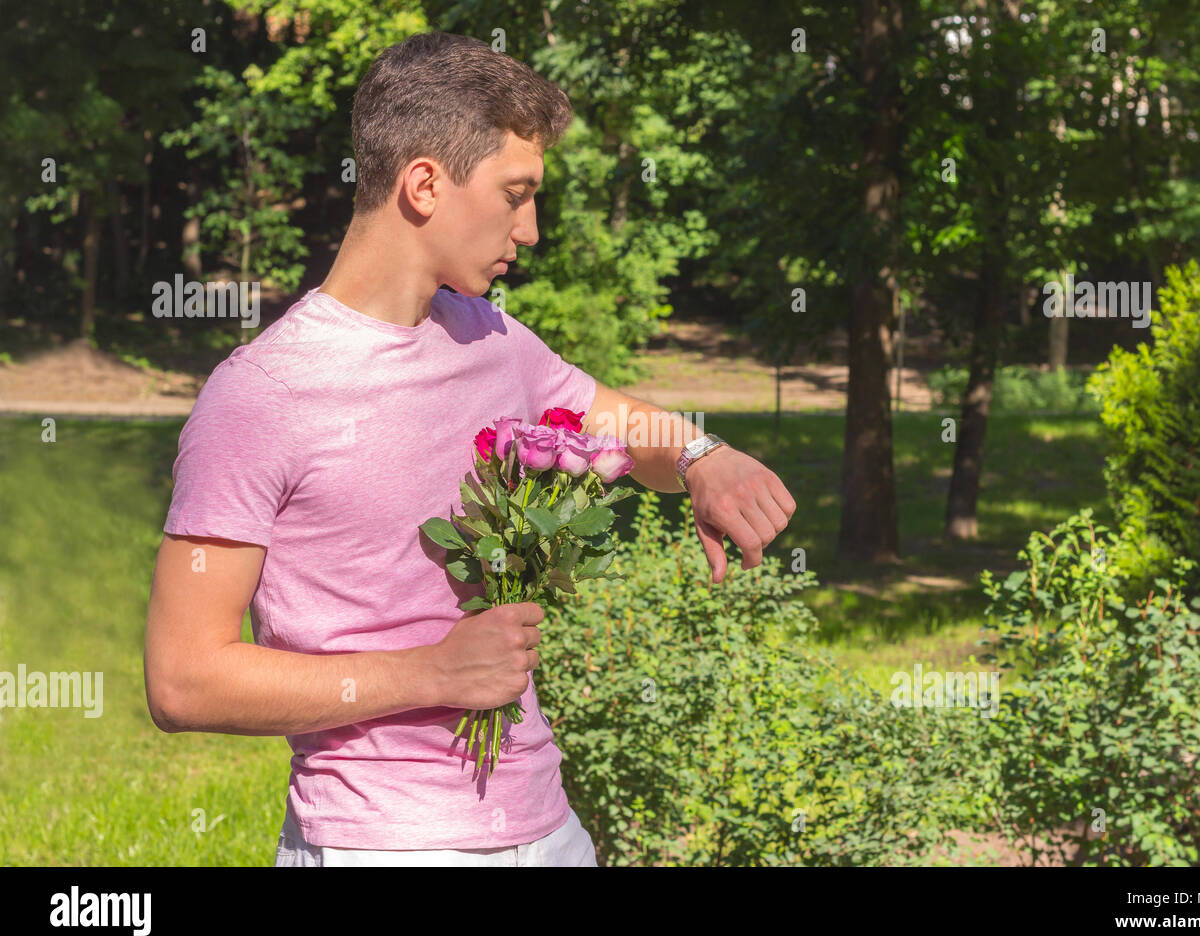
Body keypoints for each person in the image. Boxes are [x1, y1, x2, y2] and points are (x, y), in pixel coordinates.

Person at [143, 31, 796, 867]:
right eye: (516, 193)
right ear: (424, 184)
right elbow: (184, 677)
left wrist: (704, 455)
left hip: (548, 830)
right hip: (381, 844)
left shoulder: (487, 338)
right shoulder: (262, 395)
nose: (531, 228)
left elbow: (614, 421)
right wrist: (434, 675)